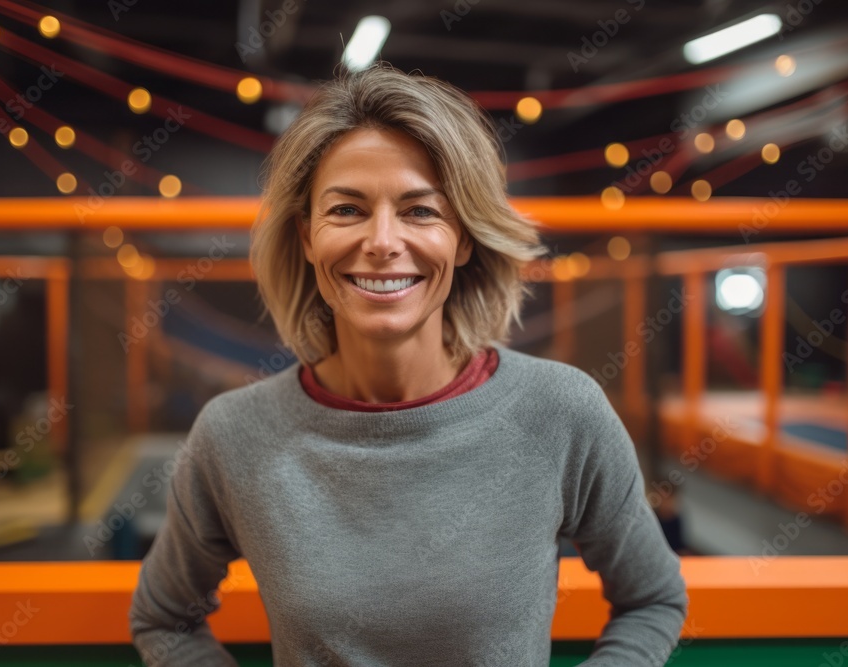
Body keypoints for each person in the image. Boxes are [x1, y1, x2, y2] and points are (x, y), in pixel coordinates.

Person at [129, 62, 687, 666]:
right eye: (347, 210)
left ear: (464, 238)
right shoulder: (233, 435)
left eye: (421, 211)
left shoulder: (561, 411)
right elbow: (164, 618)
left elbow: (653, 600)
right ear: (307, 234)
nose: (383, 241)